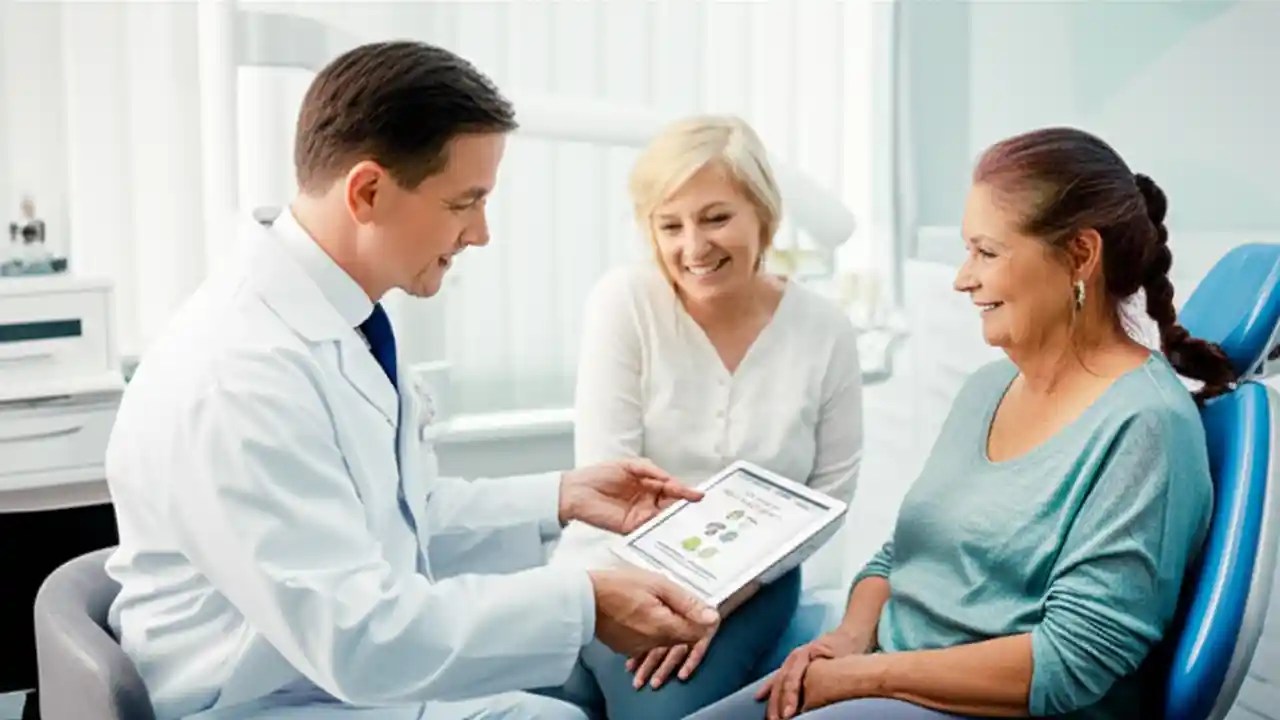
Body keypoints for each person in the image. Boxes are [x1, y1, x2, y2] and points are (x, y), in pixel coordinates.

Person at [103, 41, 722, 720]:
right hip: (258, 700)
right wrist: (585, 604)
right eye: (465, 202)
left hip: (323, 676)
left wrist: (562, 497)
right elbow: (356, 635)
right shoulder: (240, 375)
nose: (481, 233)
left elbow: (395, 517)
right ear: (368, 191)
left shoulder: (343, 320)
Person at [689, 126, 1239, 720]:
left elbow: (1070, 662)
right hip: (885, 673)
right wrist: (850, 639)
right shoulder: (988, 388)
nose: (962, 277)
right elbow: (904, 555)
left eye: (988, 252)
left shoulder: (1144, 425)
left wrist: (867, 678)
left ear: (1081, 255)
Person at [541, 115, 863, 719]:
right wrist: (662, 594)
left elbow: (832, 494)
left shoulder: (824, 330)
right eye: (671, 225)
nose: (694, 247)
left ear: (762, 214)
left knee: (660, 711)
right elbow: (609, 474)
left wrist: (718, 597)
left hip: (751, 587)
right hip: (613, 564)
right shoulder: (626, 302)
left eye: (716, 217)